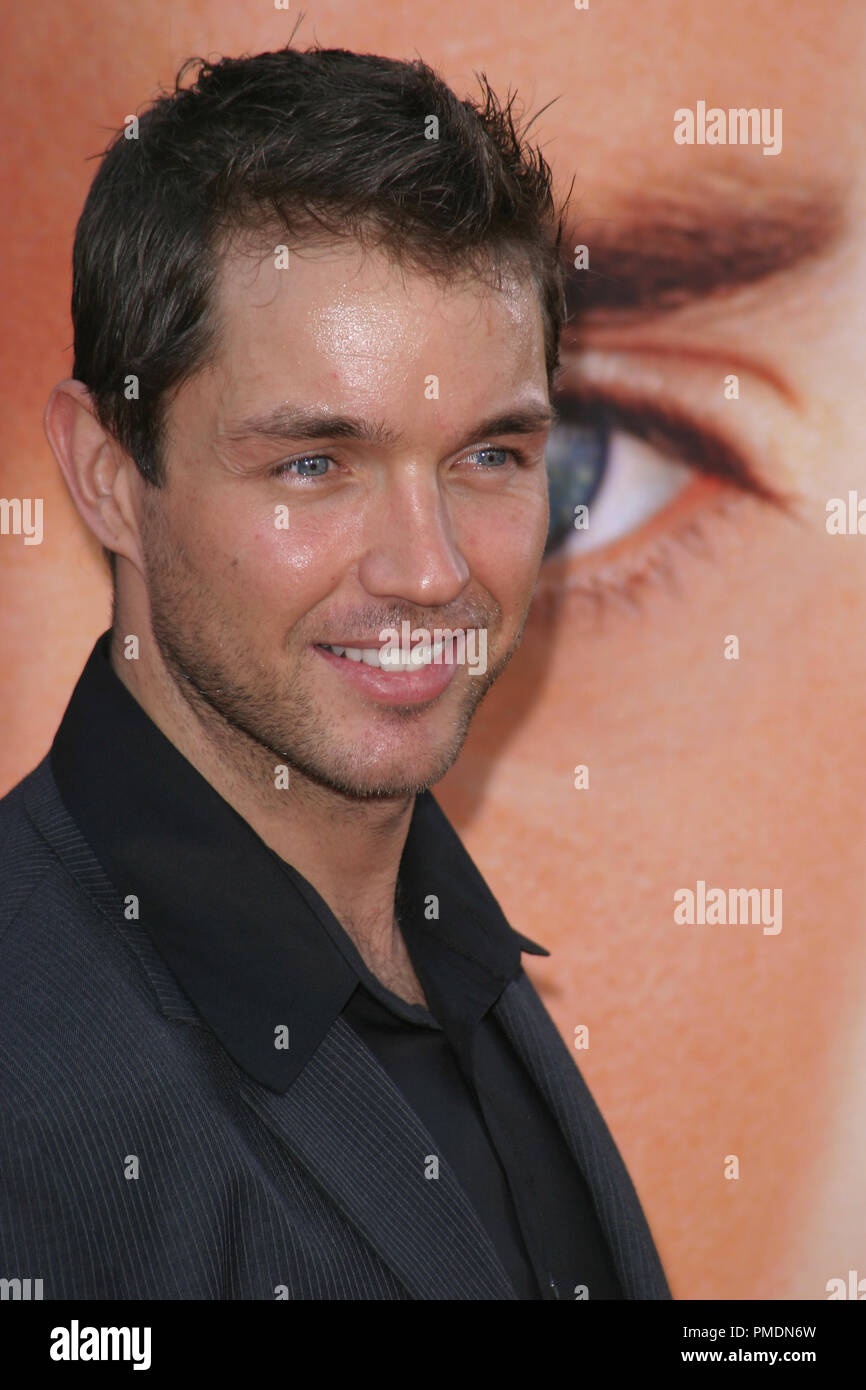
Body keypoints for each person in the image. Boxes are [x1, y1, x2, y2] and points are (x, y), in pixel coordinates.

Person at [0, 43, 669, 1301]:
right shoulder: (26, 1081)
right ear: (106, 474)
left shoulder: (456, 954)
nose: (429, 572)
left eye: (490, 457)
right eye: (314, 464)